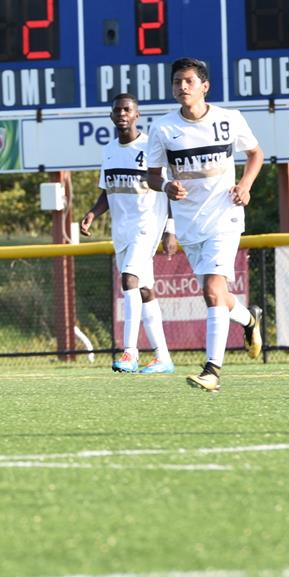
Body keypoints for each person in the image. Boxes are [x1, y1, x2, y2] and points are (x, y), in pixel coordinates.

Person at [145, 58, 264, 393]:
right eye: (177, 82)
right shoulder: (164, 128)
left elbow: (256, 155)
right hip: (189, 223)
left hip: (225, 218)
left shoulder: (228, 119)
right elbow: (154, 177)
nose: (182, 87)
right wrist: (167, 186)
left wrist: (245, 186)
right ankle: (249, 318)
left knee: (213, 290)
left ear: (204, 86)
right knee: (216, 294)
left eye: (189, 81)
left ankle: (212, 371)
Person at [80, 93, 179, 374]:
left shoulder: (151, 147)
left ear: (137, 115)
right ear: (111, 116)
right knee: (145, 290)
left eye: (127, 110)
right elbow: (107, 190)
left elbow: (168, 188)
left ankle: (129, 353)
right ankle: (163, 357)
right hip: (122, 230)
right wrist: (92, 213)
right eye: (117, 110)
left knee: (129, 279)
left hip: (147, 224)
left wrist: (170, 230)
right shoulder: (109, 150)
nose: (122, 114)